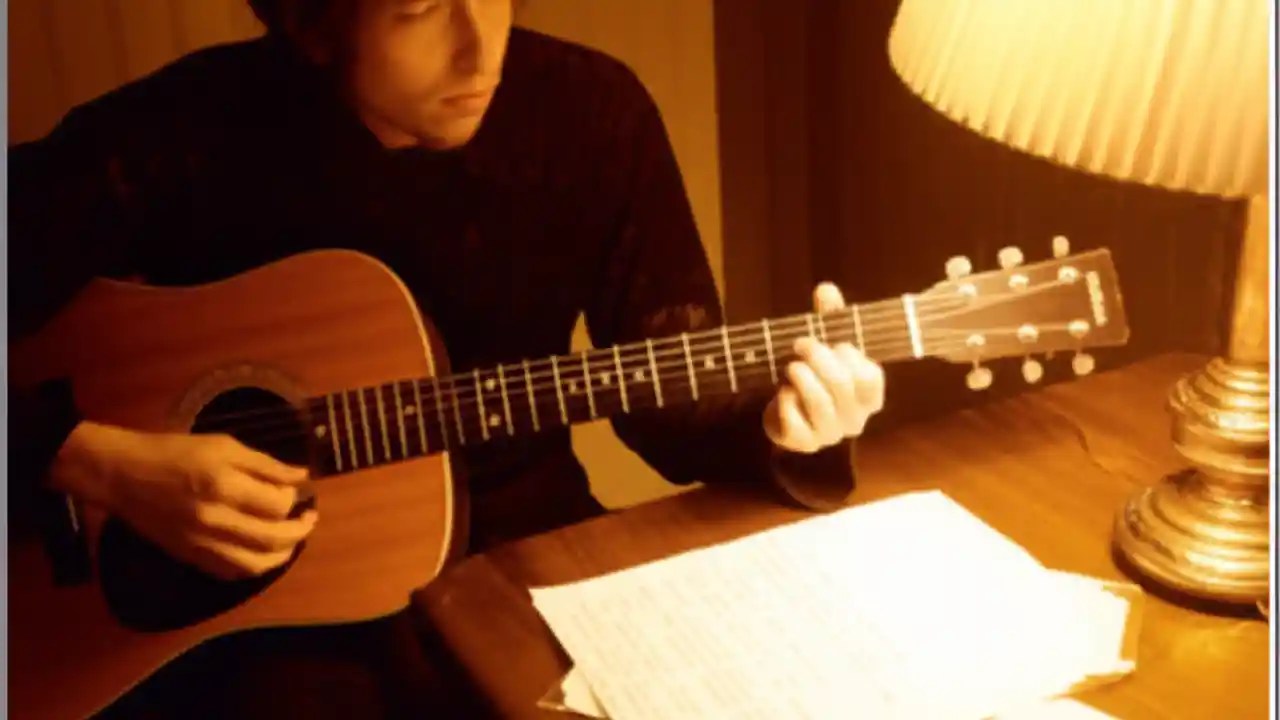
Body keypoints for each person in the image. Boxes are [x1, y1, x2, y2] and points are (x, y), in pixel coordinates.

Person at [7, 0, 887, 717]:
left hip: (521, 558)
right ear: (315, 24)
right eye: (423, 7)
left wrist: (786, 423)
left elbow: (664, 400)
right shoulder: (177, 134)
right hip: (257, 625)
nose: (481, 48)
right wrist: (96, 463)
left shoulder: (592, 113)